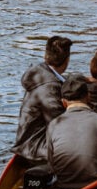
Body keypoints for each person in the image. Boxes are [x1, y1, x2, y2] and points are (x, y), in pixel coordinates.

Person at [12, 35, 72, 163]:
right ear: (67, 60)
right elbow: (59, 124)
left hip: (27, 143)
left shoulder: (40, 74)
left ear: (46, 56)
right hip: (35, 149)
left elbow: (63, 80)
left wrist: (82, 80)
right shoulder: (50, 88)